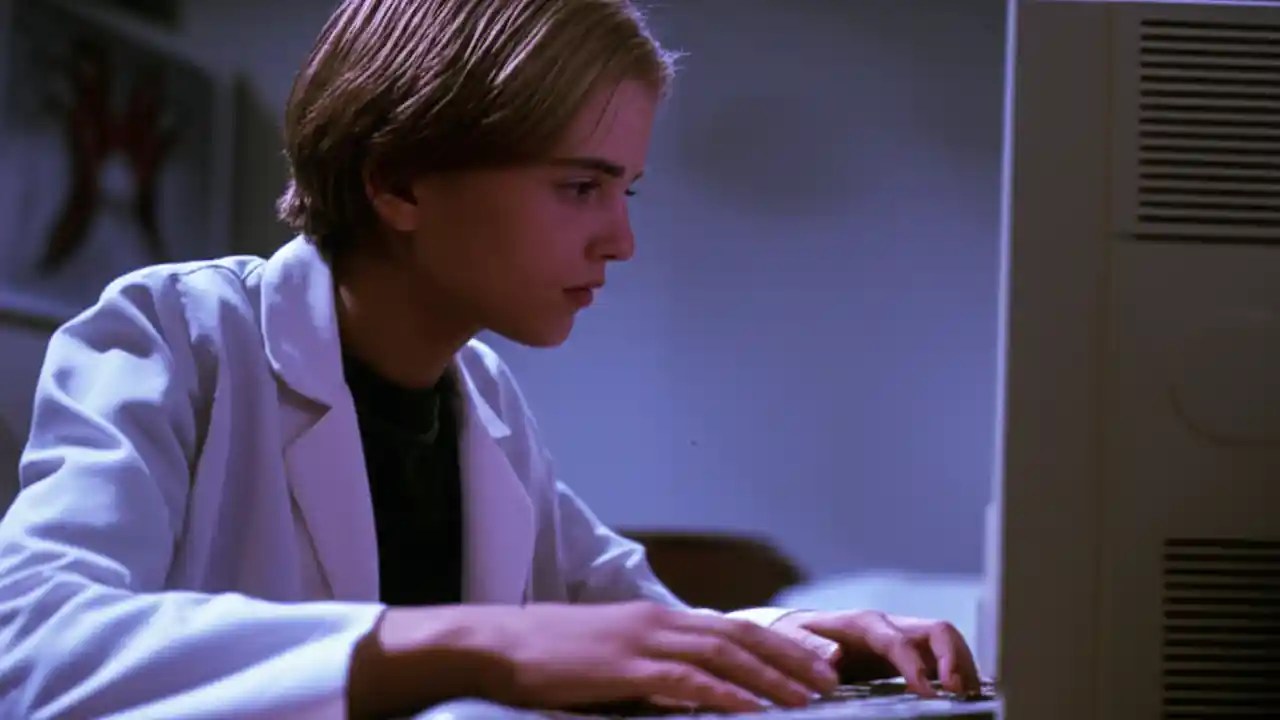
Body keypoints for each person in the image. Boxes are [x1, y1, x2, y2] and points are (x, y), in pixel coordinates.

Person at [0, 0, 981, 718]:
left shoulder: (481, 401)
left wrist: (802, 640)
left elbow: (623, 618)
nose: (618, 242)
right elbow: (32, 650)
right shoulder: (174, 336)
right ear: (399, 179)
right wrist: (475, 644)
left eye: (623, 192)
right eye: (578, 186)